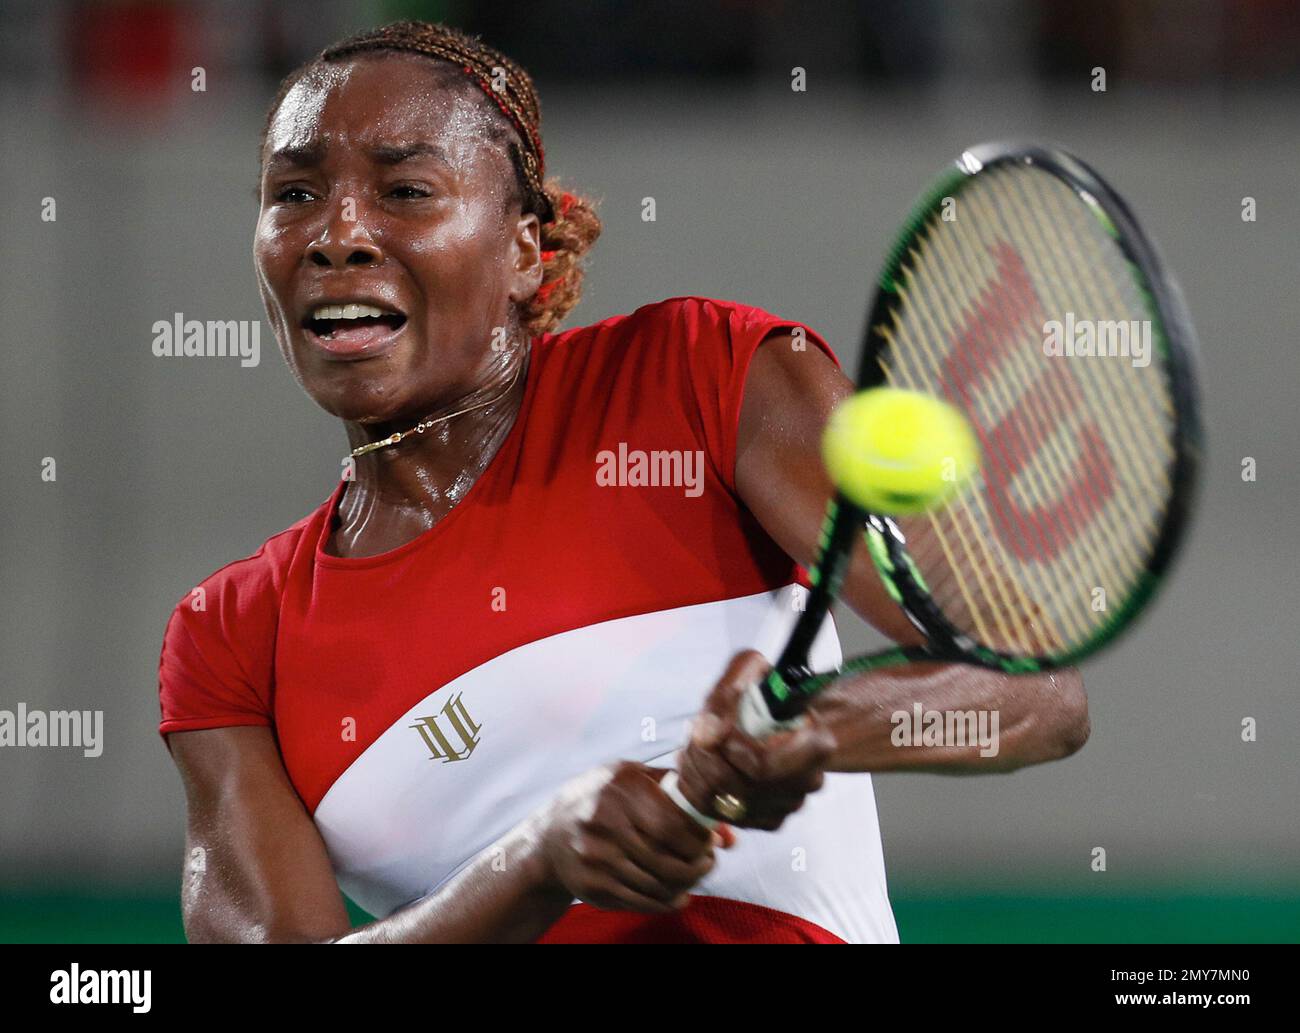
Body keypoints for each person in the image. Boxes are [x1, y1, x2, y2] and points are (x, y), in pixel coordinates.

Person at [157, 20, 1089, 944]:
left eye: (405, 190)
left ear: (527, 250)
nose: (338, 235)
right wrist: (534, 861)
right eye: (295, 194)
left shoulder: (699, 377)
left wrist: (817, 732)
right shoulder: (234, 636)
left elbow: (1037, 694)